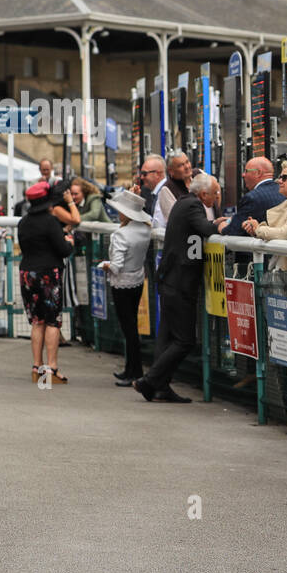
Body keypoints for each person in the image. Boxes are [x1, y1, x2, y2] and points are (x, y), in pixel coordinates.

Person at [136, 173, 222, 404]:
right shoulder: (193, 205)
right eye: (215, 193)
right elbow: (206, 229)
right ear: (203, 194)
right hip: (180, 282)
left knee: (167, 337)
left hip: (170, 279)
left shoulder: (183, 202)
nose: (217, 197)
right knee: (185, 340)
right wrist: (221, 224)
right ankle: (150, 381)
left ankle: (160, 387)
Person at [17, 181, 75, 383]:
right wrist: (69, 242)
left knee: (37, 321)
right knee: (52, 321)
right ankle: (51, 368)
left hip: (27, 273)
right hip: (48, 273)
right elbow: (63, 250)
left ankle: (36, 367)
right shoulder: (50, 222)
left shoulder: (23, 222)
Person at [99, 189, 153, 388]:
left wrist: (105, 265)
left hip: (121, 282)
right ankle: (131, 369)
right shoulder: (145, 229)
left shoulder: (121, 234)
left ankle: (134, 371)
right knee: (132, 328)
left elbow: (116, 266)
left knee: (128, 329)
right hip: (137, 278)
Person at [242, 159, 287, 275]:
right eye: (279, 177)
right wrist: (256, 229)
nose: (279, 181)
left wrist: (258, 229)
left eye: (284, 178)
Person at [154, 151, 194, 229]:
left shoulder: (199, 175)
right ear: (171, 171)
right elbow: (175, 220)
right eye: (180, 165)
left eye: (187, 162)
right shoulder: (167, 189)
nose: (187, 167)